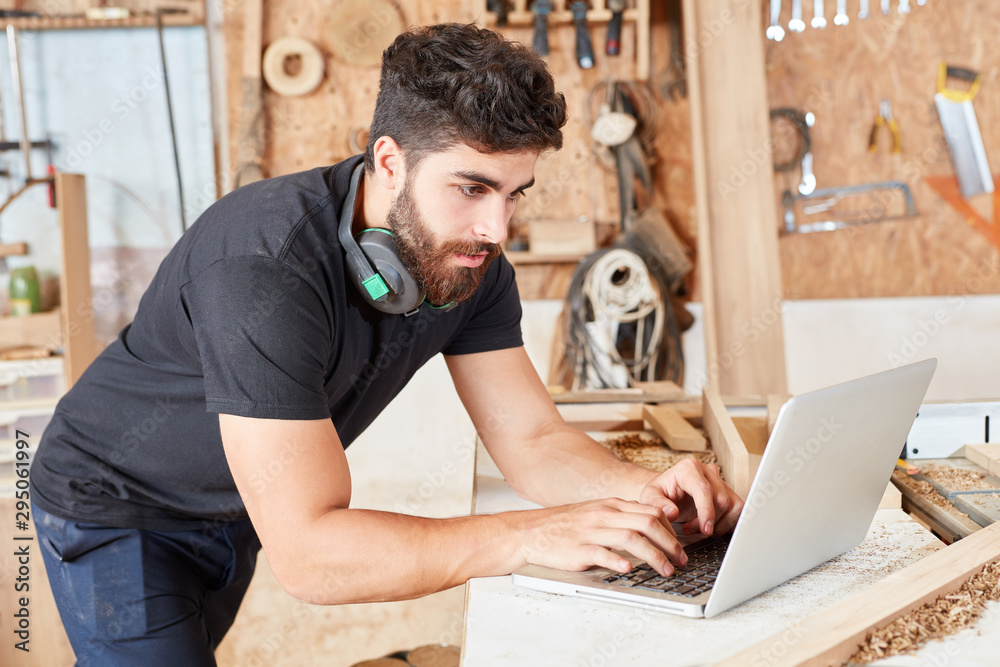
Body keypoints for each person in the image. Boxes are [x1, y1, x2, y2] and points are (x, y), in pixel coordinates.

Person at [30, 23, 742, 665]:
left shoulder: (468, 262)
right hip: (116, 501)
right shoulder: (262, 269)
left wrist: (646, 490)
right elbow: (309, 554)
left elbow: (532, 437)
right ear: (390, 160)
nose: (496, 227)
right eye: (471, 187)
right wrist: (526, 536)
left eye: (514, 193)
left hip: (234, 506)